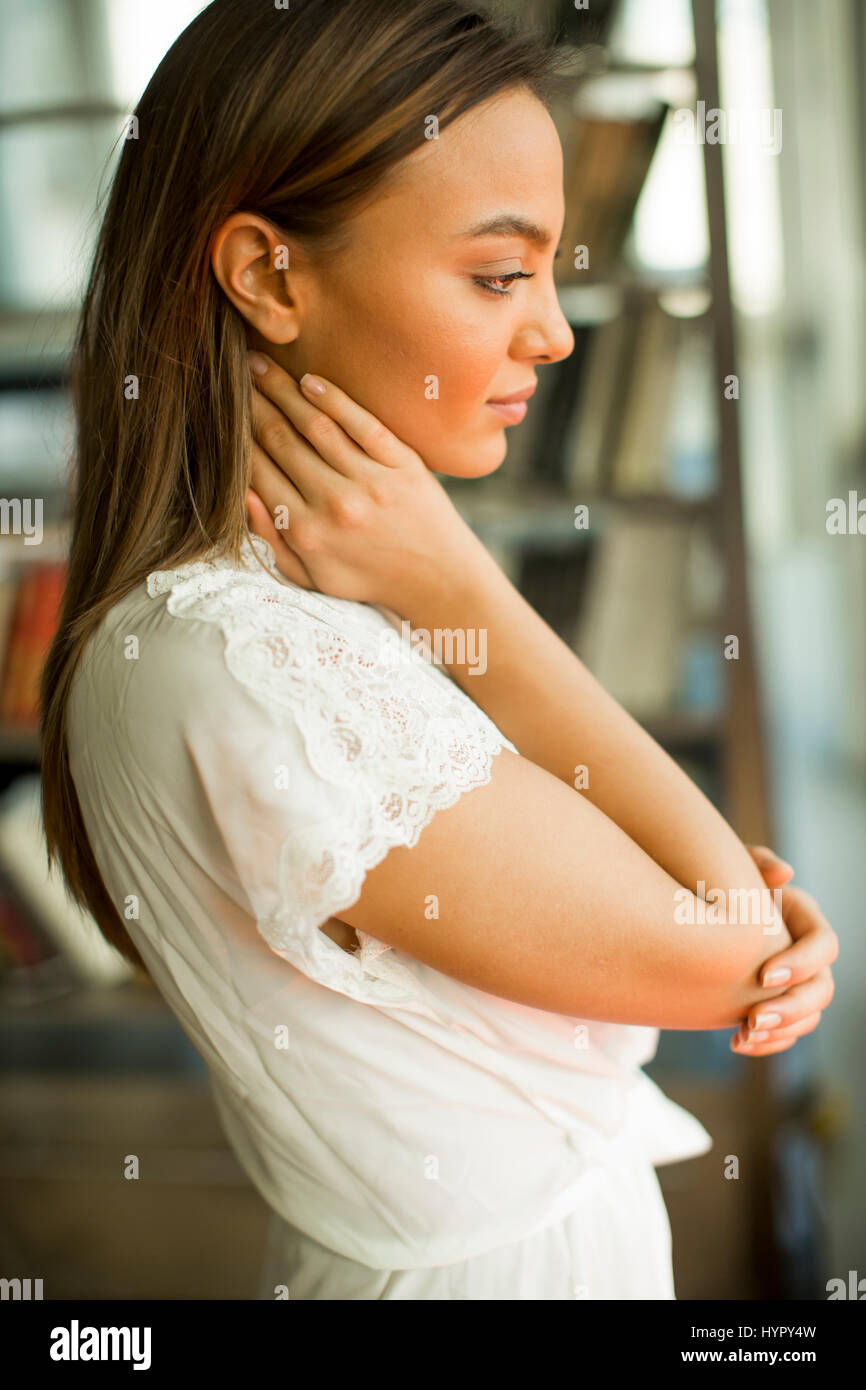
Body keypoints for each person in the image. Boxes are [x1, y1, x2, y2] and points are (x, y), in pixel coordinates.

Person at [41, 0, 837, 1300]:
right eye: (494, 273)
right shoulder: (249, 659)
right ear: (270, 274)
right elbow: (733, 953)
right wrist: (464, 585)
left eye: (550, 272)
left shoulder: (262, 625)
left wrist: (708, 907)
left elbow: (695, 913)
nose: (553, 333)